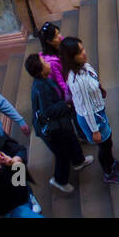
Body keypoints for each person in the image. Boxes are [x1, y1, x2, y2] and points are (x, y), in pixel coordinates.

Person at [59, 36, 119, 184]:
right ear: (71, 58)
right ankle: (108, 172)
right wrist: (94, 130)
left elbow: (93, 80)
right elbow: (86, 108)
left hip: (98, 112)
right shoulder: (78, 81)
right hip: (92, 118)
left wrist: (99, 89)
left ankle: (111, 163)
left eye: (82, 48)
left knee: (108, 142)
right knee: (104, 146)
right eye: (79, 52)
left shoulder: (83, 66)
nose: (84, 53)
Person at [26, 53, 93, 194]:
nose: (48, 63)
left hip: (62, 124)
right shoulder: (41, 87)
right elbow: (48, 111)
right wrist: (66, 105)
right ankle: (59, 180)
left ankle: (78, 161)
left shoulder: (44, 80)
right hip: (53, 131)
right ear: (40, 71)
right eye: (44, 63)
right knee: (62, 155)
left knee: (72, 139)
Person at [38, 21, 71, 100]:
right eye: (56, 36)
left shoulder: (61, 42)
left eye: (59, 33)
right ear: (49, 41)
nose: (60, 36)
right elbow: (61, 84)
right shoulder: (51, 63)